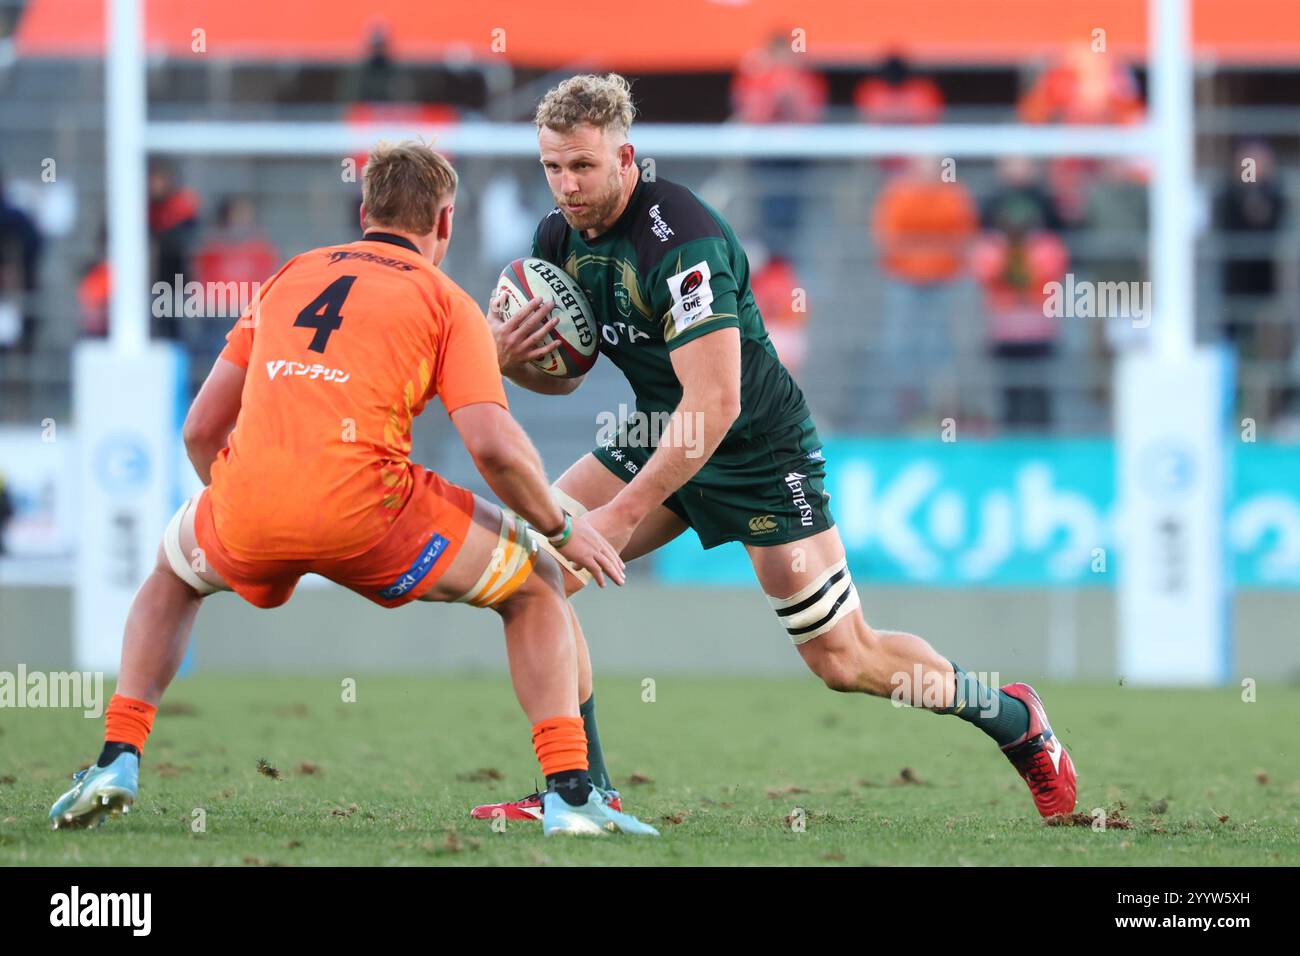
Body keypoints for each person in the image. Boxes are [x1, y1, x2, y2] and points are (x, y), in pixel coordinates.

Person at [472, 74, 1078, 823]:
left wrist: (624, 517)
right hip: (658, 429)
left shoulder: (679, 238)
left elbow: (717, 403)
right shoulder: (556, 240)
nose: (566, 185)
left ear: (625, 157)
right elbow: (570, 378)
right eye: (552, 168)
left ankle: (1014, 719)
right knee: (536, 573)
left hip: (758, 448)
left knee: (843, 658)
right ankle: (580, 791)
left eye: (583, 167)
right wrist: (510, 358)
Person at [48, 140, 656, 838]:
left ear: (364, 211)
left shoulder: (290, 275)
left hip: (245, 501)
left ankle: (117, 755)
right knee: (538, 585)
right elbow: (492, 445)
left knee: (171, 571)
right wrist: (562, 526)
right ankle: (571, 794)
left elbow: (199, 429)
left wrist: (257, 510)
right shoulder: (445, 301)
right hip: (371, 517)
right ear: (446, 223)